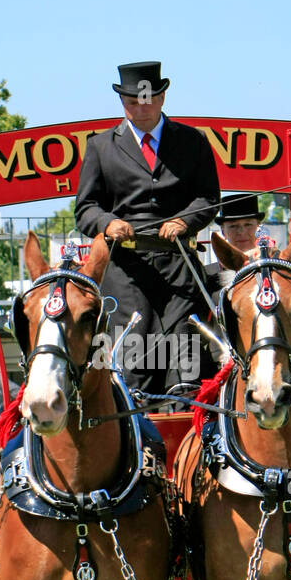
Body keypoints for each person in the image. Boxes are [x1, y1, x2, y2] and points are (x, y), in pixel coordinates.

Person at [75, 60, 220, 393]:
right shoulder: (100, 147)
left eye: (147, 100)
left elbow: (209, 198)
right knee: (134, 358)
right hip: (126, 272)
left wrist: (185, 220)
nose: (140, 108)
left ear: (162, 97)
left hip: (179, 266)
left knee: (185, 356)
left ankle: (190, 428)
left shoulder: (192, 142)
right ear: (122, 103)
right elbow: (85, 209)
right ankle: (139, 434)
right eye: (131, 102)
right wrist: (108, 223)